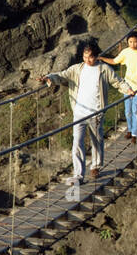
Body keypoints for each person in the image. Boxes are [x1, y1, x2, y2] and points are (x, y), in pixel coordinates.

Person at [40, 40, 128, 184]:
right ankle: (79, 175)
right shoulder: (77, 68)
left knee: (97, 140)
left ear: (97, 56)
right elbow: (61, 75)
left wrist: (128, 90)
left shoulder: (104, 69)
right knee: (77, 143)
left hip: (96, 112)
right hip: (79, 111)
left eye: (91, 57)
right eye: (85, 57)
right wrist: (49, 78)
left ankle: (96, 166)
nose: (87, 60)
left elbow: (118, 82)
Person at [101, 30, 137, 139]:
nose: (133, 44)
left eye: (135, 42)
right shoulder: (125, 52)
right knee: (128, 111)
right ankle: (130, 129)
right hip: (127, 86)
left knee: (135, 111)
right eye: (130, 42)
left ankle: (134, 134)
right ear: (128, 42)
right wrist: (101, 58)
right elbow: (114, 61)